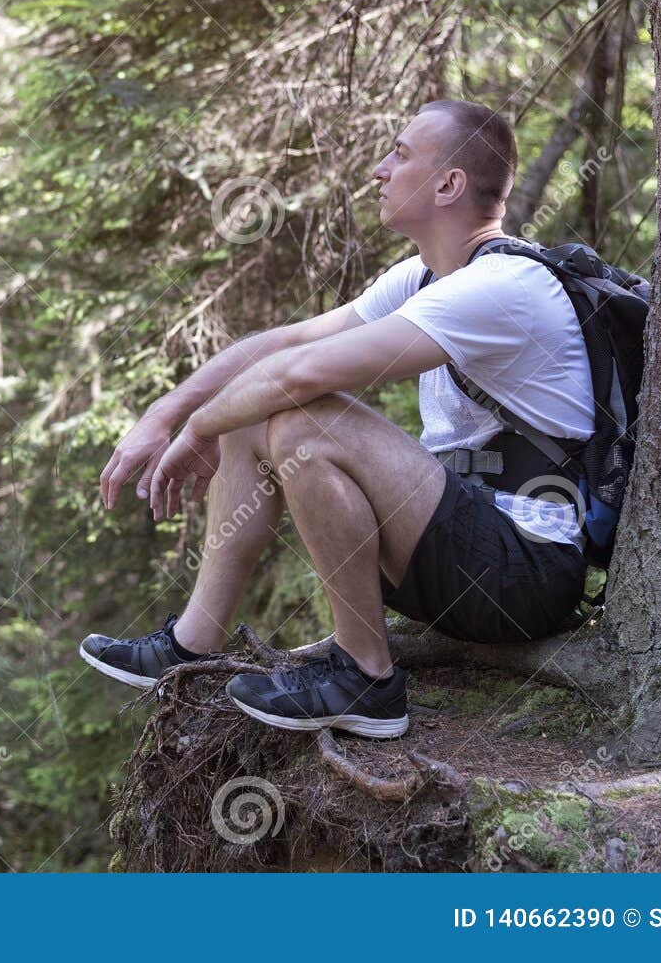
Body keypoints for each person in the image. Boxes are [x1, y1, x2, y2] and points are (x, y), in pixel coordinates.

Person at [81, 99, 593, 738]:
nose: (380, 170)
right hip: (454, 552)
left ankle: (367, 677)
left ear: (449, 184)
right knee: (253, 409)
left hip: (526, 571)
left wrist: (199, 429)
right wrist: (168, 413)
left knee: (297, 420)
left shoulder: (502, 287)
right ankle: (192, 644)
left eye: (401, 154)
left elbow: (302, 376)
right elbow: (284, 346)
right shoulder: (426, 276)